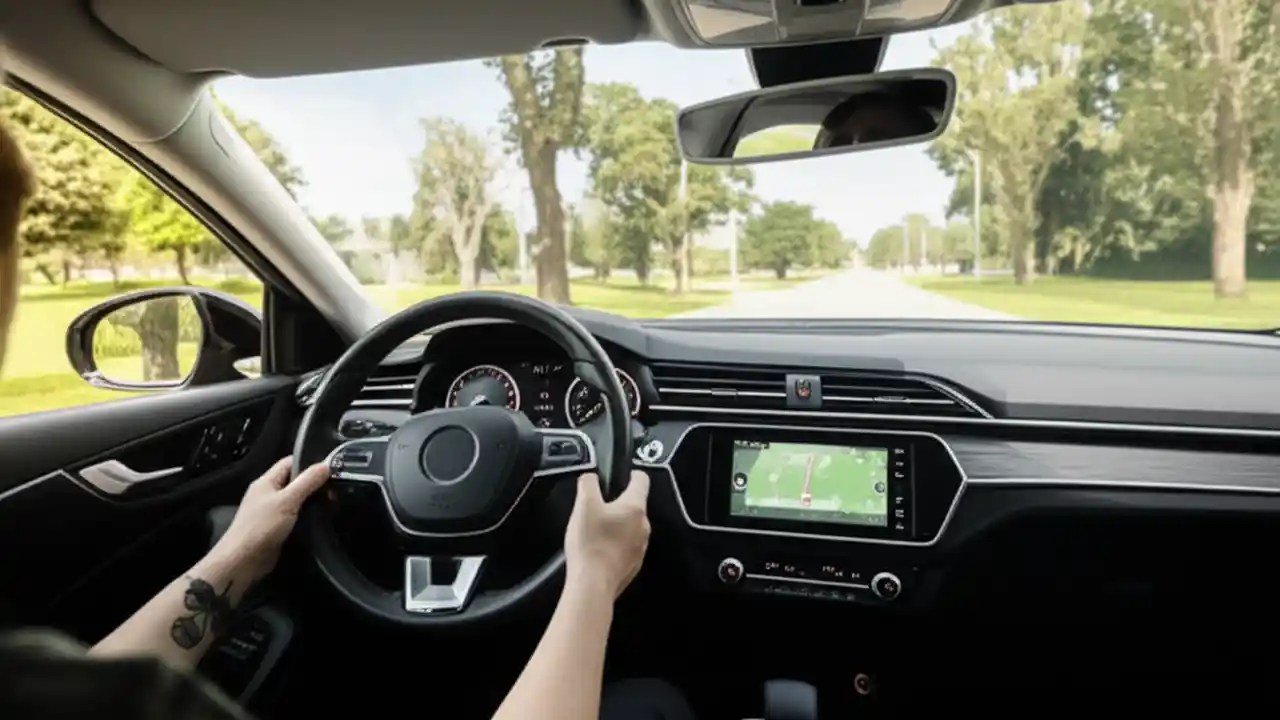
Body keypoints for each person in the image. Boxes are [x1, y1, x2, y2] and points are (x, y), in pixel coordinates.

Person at [0, 56, 690, 719]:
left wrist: (241, 552)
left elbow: (98, 691)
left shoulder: (52, 685)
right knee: (654, 700)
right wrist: (594, 577)